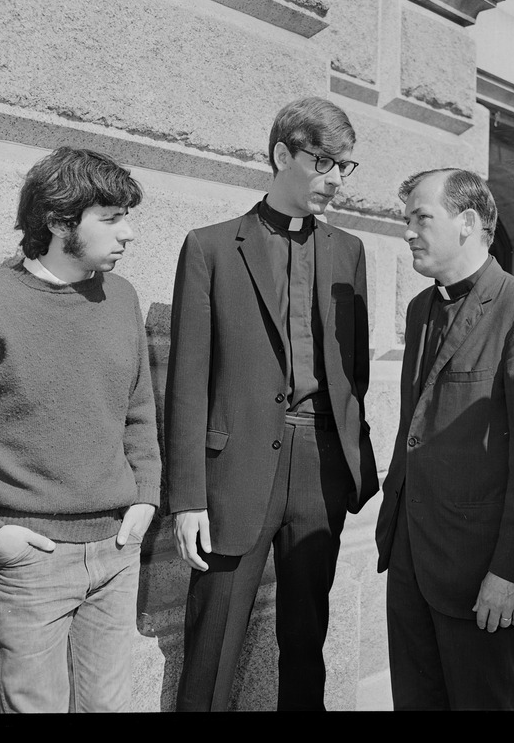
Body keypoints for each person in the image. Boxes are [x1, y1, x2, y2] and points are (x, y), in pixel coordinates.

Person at [0, 146, 161, 713]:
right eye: (111, 217)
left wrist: (146, 498)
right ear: (58, 222)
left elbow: (139, 411)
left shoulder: (120, 298)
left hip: (118, 550)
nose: (127, 234)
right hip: (31, 559)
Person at [165, 96, 378, 712]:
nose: (336, 179)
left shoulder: (349, 252)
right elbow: (188, 381)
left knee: (307, 641)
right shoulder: (209, 247)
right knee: (213, 641)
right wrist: (188, 497)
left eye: (346, 166)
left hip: (322, 467)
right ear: (282, 154)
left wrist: (350, 467)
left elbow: (353, 371)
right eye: (324, 162)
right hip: (236, 472)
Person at [374, 168, 514, 710]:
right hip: (412, 559)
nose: (409, 232)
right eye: (406, 220)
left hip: (481, 574)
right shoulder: (420, 309)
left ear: (467, 223)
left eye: (422, 218)